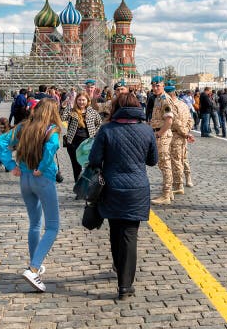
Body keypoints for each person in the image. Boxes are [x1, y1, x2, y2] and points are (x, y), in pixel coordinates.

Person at [88, 93, 158, 300]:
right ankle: (125, 285)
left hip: (111, 187)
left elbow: (94, 159)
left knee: (115, 230)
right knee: (130, 234)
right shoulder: (146, 130)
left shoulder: (107, 129)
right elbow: (152, 160)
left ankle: (119, 268)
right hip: (137, 188)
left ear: (116, 107)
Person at [0, 98, 63, 293]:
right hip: (43, 178)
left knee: (34, 223)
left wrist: (11, 165)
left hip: (25, 179)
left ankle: (35, 263)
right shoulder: (52, 130)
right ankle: (33, 269)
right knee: (52, 226)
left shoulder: (23, 126)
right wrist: (42, 167)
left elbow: (0, 141)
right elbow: (50, 150)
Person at [60, 91, 101, 183]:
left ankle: (88, 186)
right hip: (73, 142)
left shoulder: (92, 112)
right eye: (79, 100)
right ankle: (78, 186)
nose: (81, 102)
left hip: (88, 143)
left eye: (83, 100)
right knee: (76, 166)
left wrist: (94, 134)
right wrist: (63, 107)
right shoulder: (71, 111)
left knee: (88, 165)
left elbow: (99, 123)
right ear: (76, 100)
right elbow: (62, 118)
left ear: (87, 101)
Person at [149, 76, 176, 205]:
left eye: (157, 86)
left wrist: (159, 134)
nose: (155, 88)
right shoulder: (158, 98)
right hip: (160, 133)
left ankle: (166, 195)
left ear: (163, 86)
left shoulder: (165, 99)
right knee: (163, 164)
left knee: (165, 165)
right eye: (153, 86)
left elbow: (169, 121)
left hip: (163, 134)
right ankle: (169, 192)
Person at [166, 82, 195, 192]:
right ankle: (188, 177)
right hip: (183, 135)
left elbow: (176, 123)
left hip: (175, 134)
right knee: (184, 157)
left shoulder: (170, 106)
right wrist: (187, 131)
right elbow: (190, 120)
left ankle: (178, 183)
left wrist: (185, 133)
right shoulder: (183, 104)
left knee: (175, 160)